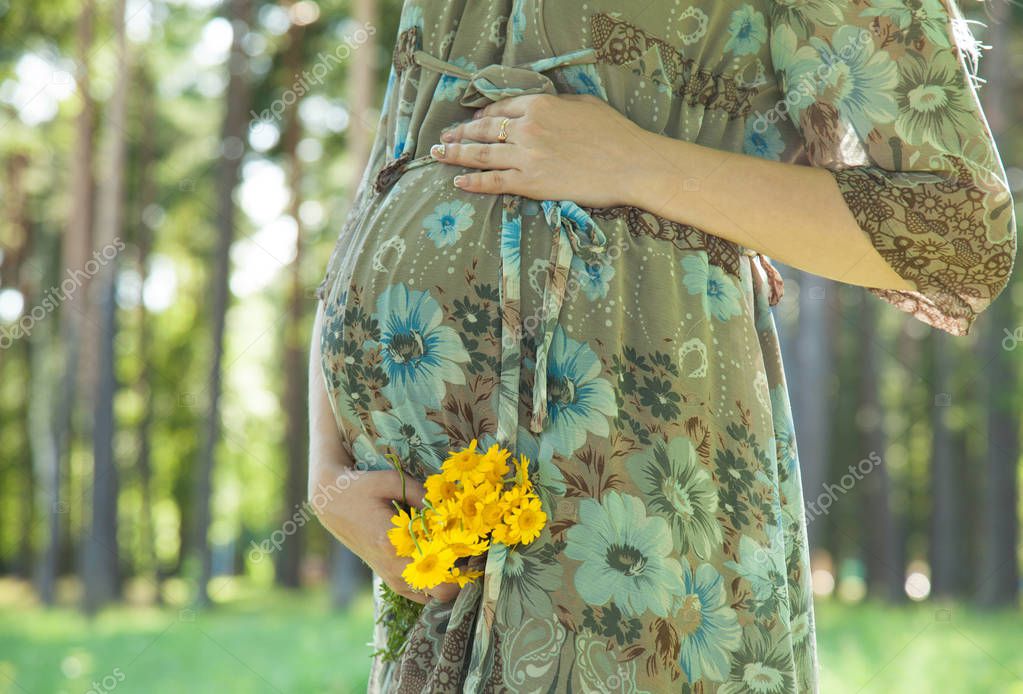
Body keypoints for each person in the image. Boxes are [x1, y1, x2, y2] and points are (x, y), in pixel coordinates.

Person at [308, 1, 1016, 691]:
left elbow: (959, 238)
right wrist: (326, 465)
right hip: (431, 514)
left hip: (636, 472)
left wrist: (637, 164)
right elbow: (396, 153)